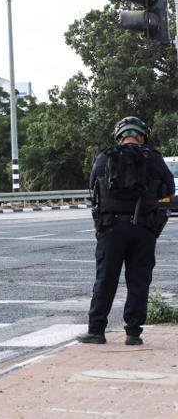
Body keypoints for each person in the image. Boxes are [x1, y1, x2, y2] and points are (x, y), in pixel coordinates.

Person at [77, 117, 174, 346]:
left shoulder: (104, 157)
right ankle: (133, 333)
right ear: (142, 136)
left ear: (119, 137)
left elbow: (93, 189)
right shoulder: (155, 159)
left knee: (105, 279)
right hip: (144, 229)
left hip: (111, 228)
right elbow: (169, 192)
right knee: (139, 280)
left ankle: (96, 331)